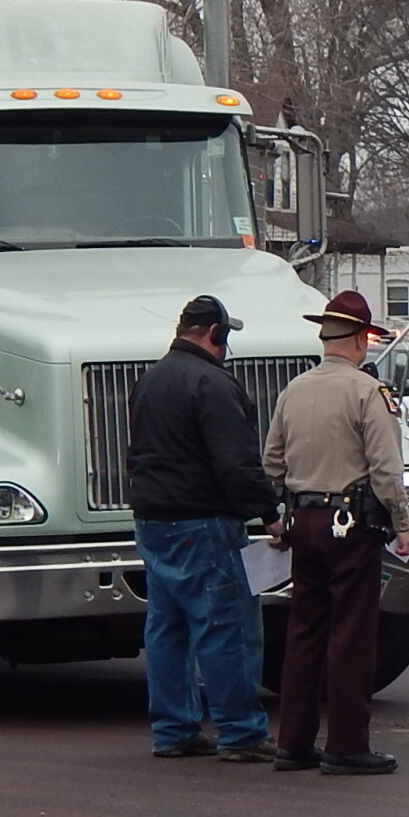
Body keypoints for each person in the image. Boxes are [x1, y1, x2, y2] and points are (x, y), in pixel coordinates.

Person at [262, 289, 409, 775]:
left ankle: (293, 741)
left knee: (304, 629)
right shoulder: (367, 391)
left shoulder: (295, 389)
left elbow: (271, 462)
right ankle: (347, 743)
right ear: (361, 340)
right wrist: (404, 525)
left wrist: (282, 514)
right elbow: (386, 468)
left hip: (302, 521)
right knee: (351, 633)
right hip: (350, 525)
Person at [124, 294, 281, 760]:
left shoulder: (148, 381)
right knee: (225, 626)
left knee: (166, 628)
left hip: (152, 521)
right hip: (204, 522)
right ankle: (241, 732)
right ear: (215, 334)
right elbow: (236, 462)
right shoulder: (213, 384)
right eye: (225, 336)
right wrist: (270, 515)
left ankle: (173, 730)